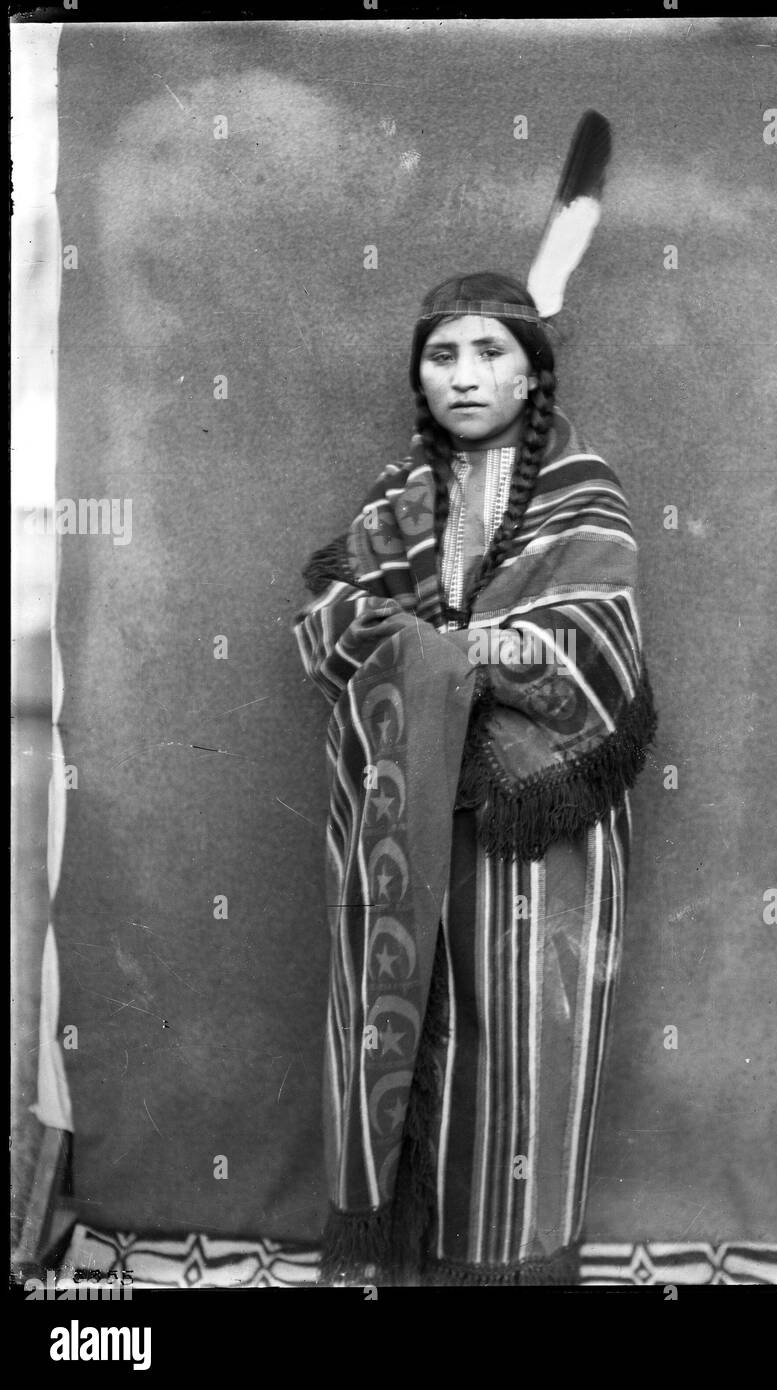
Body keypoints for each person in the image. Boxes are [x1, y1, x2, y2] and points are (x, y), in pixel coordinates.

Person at [294, 270, 657, 1286]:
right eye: (443, 353)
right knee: (398, 1025)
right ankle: (400, 1259)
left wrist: (459, 651)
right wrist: (439, 649)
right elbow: (325, 624)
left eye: (491, 351)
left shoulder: (583, 493)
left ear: (533, 374)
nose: (464, 374)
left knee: (522, 1036)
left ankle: (508, 1268)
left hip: (530, 831)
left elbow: (596, 651)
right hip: (408, 819)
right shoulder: (398, 500)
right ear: (419, 374)